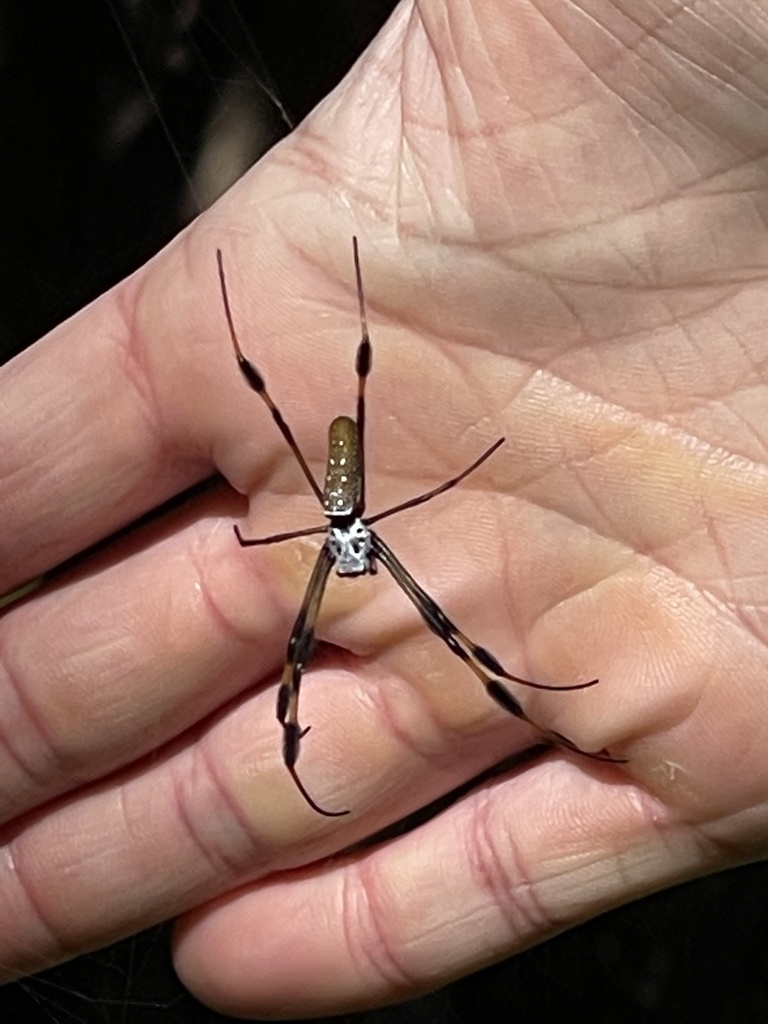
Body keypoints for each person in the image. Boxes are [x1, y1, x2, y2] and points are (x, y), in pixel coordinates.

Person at [0, 0, 766, 1016]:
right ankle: (303, 749)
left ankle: (520, 685)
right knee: (299, 653)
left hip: (344, 499)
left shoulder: (346, 529)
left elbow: (393, 503)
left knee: (454, 640)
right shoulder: (335, 534)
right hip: (339, 497)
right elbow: (296, 497)